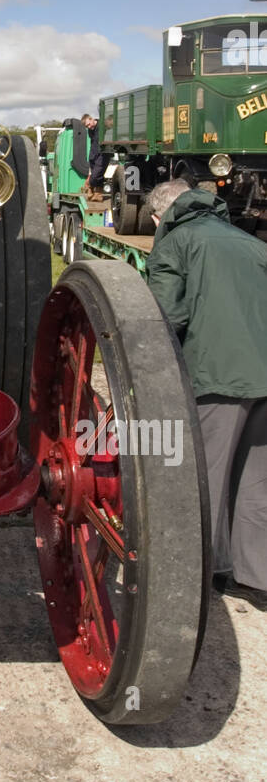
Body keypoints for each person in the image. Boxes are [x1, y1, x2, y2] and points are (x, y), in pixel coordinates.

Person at [145, 178, 267, 599]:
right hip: (263, 375)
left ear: (160, 216)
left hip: (218, 375)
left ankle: (205, 569)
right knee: (255, 478)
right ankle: (256, 576)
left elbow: (164, 317)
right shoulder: (250, 242)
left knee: (207, 475)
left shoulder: (175, 243)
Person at [81, 113, 108, 201]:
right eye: (86, 126)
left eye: (88, 124)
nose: (88, 127)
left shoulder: (102, 125)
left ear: (91, 119)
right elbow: (93, 142)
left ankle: (88, 184)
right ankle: (98, 195)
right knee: (99, 175)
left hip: (103, 153)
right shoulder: (90, 130)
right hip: (93, 154)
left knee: (97, 174)